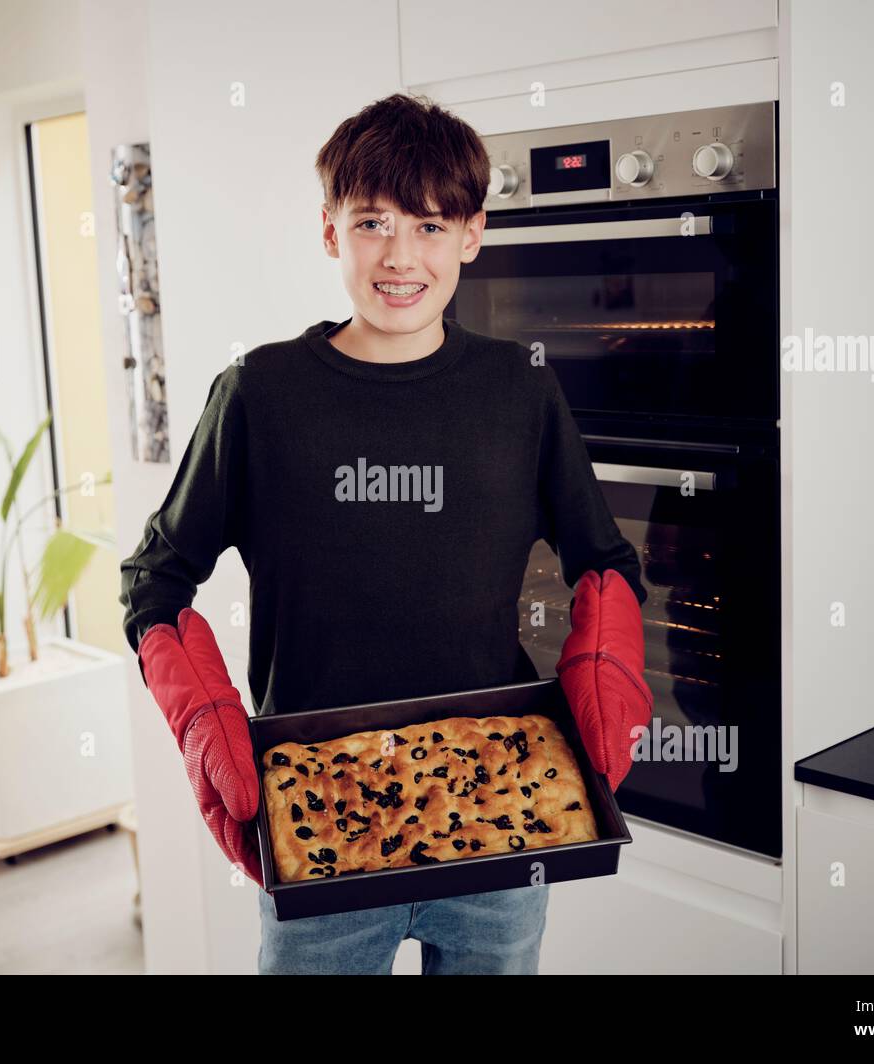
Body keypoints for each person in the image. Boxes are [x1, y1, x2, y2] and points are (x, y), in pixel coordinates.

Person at [119, 92, 652, 975]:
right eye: (373, 222)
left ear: (473, 235)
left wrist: (605, 671)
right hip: (313, 811)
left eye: (432, 226)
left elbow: (605, 561)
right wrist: (206, 720)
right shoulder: (259, 394)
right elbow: (155, 577)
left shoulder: (519, 392)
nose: (401, 255)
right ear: (330, 230)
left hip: (501, 828)